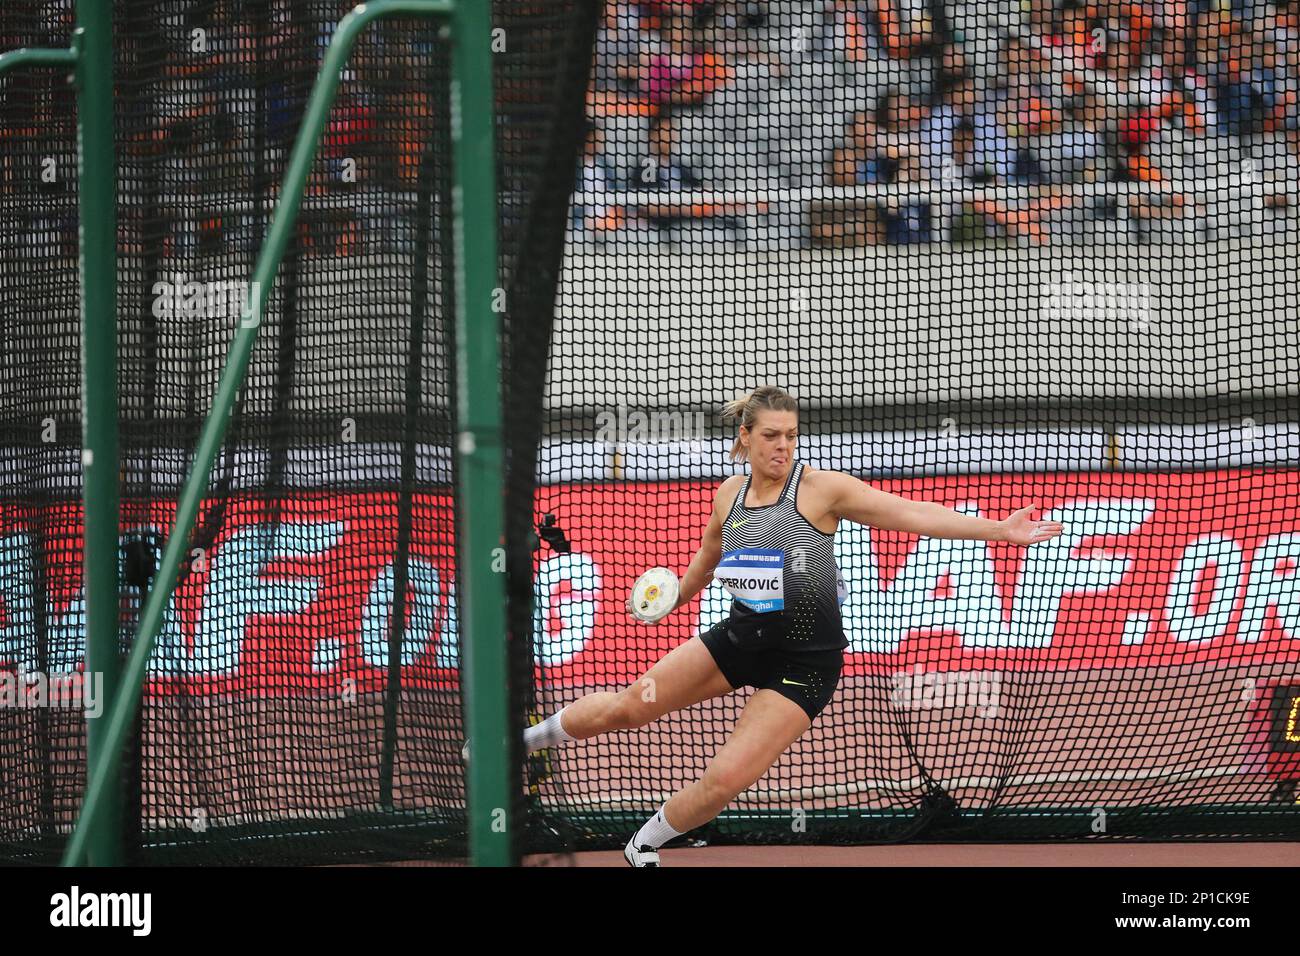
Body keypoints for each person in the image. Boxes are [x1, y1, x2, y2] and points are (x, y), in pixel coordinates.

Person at [517, 385, 1066, 866]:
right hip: (737, 641)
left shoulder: (824, 490)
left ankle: (644, 843)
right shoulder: (729, 495)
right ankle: (518, 743)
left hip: (803, 665)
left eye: (792, 435)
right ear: (747, 437)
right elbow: (707, 563)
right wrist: (670, 596)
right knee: (628, 706)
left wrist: (999, 529)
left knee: (723, 783)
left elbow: (913, 513)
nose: (783, 446)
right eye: (773, 436)